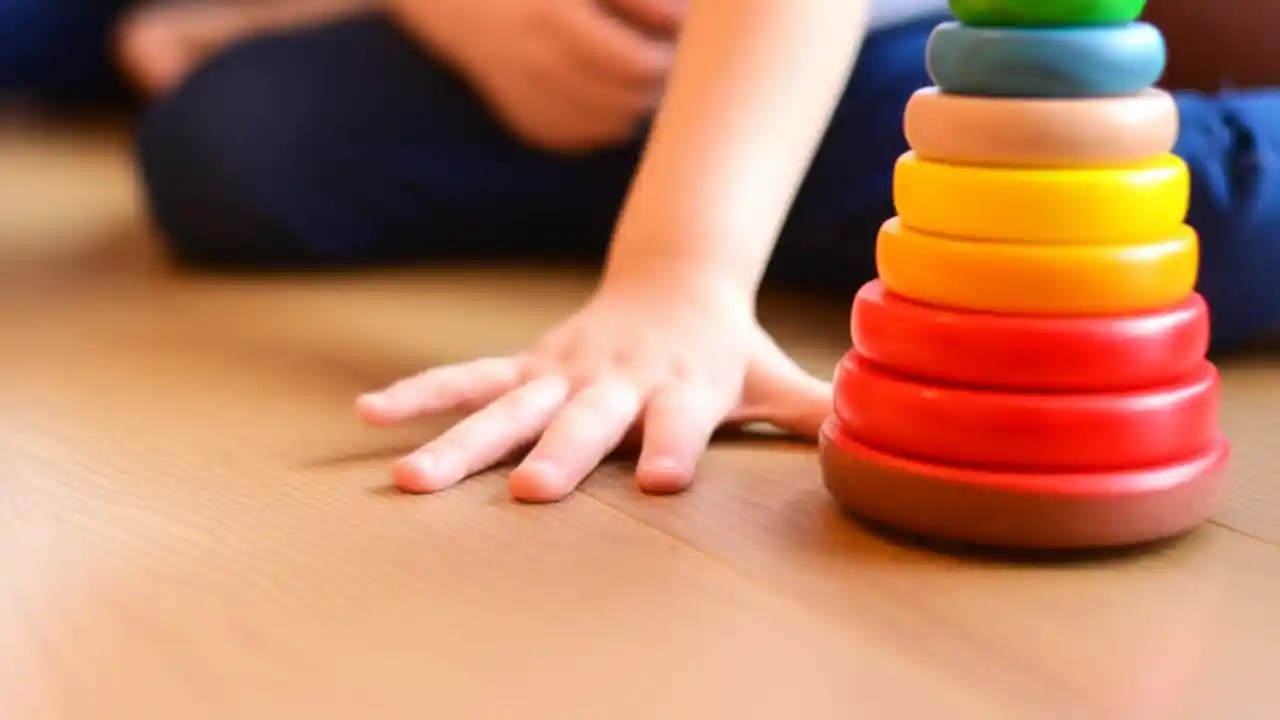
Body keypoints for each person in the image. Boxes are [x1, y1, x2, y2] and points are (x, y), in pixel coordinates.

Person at [133, 0, 1279, 502]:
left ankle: (707, 219)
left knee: (1192, 234)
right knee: (230, 151)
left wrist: (681, 270)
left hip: (865, 64)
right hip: (538, 53)